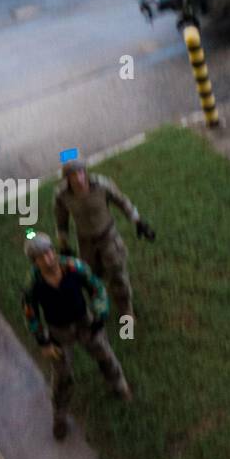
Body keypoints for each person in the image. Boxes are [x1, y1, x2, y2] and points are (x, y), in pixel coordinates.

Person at [21, 232, 131, 441]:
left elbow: (97, 287)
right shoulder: (32, 284)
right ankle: (59, 417)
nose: (48, 259)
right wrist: (42, 341)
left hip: (85, 323)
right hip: (58, 333)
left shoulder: (74, 267)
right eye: (41, 257)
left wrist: (100, 313)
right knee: (62, 377)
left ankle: (119, 386)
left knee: (105, 355)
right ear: (34, 262)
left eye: (49, 252)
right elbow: (30, 312)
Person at [53, 159, 155, 321]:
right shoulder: (62, 196)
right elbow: (61, 221)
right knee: (91, 276)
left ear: (85, 172)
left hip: (108, 237)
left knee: (117, 273)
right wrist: (64, 244)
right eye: (73, 175)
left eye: (80, 172)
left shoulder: (101, 185)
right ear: (67, 178)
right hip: (85, 242)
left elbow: (122, 202)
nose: (78, 178)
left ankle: (125, 310)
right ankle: (99, 305)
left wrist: (138, 221)